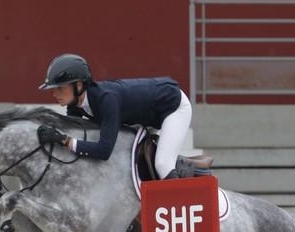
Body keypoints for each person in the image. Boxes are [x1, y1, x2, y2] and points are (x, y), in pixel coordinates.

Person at [36, 53, 192, 180]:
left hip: (173, 106)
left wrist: (65, 141)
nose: (54, 93)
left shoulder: (107, 100)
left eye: (60, 88)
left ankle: (184, 202)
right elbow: (73, 133)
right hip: (146, 115)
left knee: (163, 164)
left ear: (78, 86)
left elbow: (104, 151)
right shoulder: (75, 104)